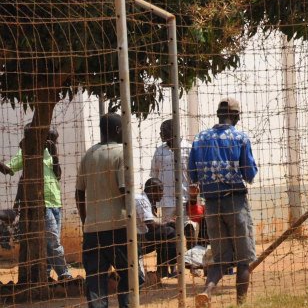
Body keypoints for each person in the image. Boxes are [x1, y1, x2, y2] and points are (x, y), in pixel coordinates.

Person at [188, 98, 258, 307]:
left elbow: (192, 174)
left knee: (220, 257)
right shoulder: (240, 138)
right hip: (235, 202)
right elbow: (249, 174)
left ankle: (208, 291)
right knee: (244, 258)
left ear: (218, 115)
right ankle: (240, 303)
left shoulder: (200, 139)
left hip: (211, 205)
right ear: (236, 116)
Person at [0, 127, 72, 281]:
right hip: (41, 203)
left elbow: (58, 175)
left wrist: (54, 153)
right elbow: (8, 169)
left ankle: (44, 276)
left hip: (56, 203)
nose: (52, 142)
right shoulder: (28, 152)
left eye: (54, 139)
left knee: (49, 244)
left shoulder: (51, 153)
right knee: (53, 242)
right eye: (50, 138)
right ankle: (65, 274)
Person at [76, 113, 130, 308]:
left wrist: (85, 221)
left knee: (95, 281)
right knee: (132, 275)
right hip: (119, 226)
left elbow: (79, 193)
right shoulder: (122, 153)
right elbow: (125, 191)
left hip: (93, 229)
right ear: (118, 130)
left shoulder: (88, 154)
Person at [149, 119, 191, 224]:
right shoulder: (159, 151)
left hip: (185, 199)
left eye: (164, 131)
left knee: (187, 229)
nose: (160, 134)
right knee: (168, 232)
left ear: (173, 131)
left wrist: (193, 198)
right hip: (166, 201)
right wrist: (153, 200)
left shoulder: (188, 148)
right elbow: (154, 176)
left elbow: (193, 175)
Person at [135, 178, 177, 279]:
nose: (162, 194)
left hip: (140, 235)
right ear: (152, 190)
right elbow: (151, 225)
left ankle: (166, 269)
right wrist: (165, 224)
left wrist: (166, 224)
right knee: (169, 232)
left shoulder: (146, 199)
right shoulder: (142, 200)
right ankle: (167, 267)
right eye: (160, 190)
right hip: (136, 238)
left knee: (168, 229)